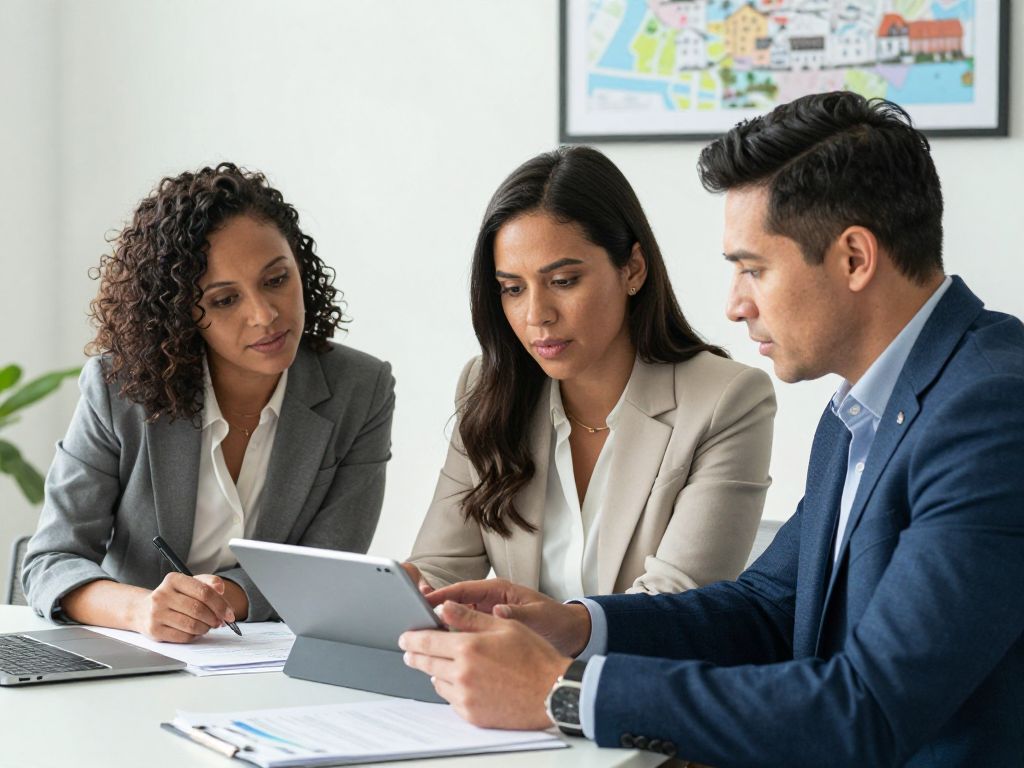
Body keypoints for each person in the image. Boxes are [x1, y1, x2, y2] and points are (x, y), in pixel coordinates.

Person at [399, 92, 1024, 767]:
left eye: (753, 268)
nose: (734, 305)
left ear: (853, 259)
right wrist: (577, 626)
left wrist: (564, 689)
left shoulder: (990, 410)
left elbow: (866, 707)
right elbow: (766, 609)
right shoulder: (862, 409)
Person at [23, 163, 395, 642]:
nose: (264, 316)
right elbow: (50, 561)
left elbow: (330, 569)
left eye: (276, 279)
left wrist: (221, 598)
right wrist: (141, 609)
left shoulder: (360, 388)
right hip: (135, 655)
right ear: (181, 313)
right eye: (224, 301)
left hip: (271, 664)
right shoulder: (120, 389)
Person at [405, 146, 775, 600]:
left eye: (563, 282)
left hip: (636, 671)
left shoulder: (727, 400)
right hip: (508, 668)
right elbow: (437, 571)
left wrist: (541, 635)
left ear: (632, 269)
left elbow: (676, 602)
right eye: (512, 289)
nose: (537, 314)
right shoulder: (488, 388)